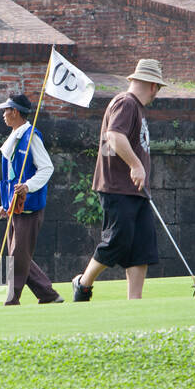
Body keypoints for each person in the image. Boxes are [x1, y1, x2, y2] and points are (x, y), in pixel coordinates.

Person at [71, 59, 165, 302]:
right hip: (118, 187)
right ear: (153, 86)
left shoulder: (136, 107)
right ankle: (83, 283)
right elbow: (114, 136)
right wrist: (136, 165)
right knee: (117, 240)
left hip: (137, 190)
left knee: (142, 247)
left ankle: (135, 300)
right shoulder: (126, 103)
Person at [0, 92, 62, 305]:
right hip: (15, 206)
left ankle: (11, 300)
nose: (4, 115)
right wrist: (5, 204)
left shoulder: (31, 136)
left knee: (17, 255)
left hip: (29, 207)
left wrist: (29, 186)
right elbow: (11, 176)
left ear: (15, 112)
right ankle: (49, 295)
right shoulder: (14, 137)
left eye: (6, 110)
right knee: (20, 255)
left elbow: (46, 168)